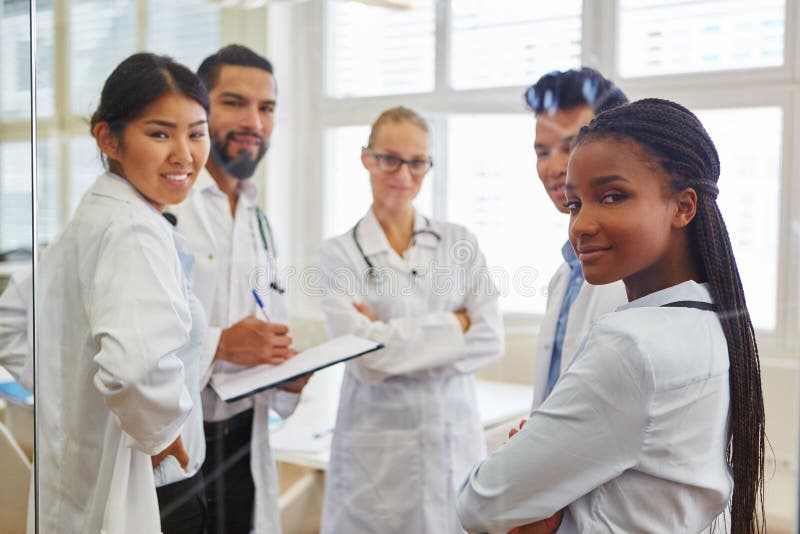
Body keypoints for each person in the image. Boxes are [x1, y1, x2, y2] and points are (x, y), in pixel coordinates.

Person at [457, 98, 765, 533]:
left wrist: (546, 503)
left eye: (613, 196)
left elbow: (480, 503)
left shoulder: (633, 343)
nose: (581, 224)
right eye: (575, 204)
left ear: (683, 206)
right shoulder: (708, 317)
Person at [36, 53, 212, 533]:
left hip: (83, 474)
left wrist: (66, 397)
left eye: (196, 133)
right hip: (153, 485)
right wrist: (161, 432)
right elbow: (136, 370)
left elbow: (16, 323)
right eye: (160, 133)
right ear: (109, 139)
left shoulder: (93, 216)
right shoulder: (133, 229)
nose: (184, 154)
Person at [316, 106, 505, 533]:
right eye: (390, 159)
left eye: (417, 162)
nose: (403, 174)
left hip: (453, 442)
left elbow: (491, 339)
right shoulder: (337, 254)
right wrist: (456, 324)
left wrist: (386, 339)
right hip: (377, 457)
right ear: (367, 157)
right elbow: (363, 357)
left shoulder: (460, 242)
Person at [169, 44, 306, 534]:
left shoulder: (257, 217)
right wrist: (222, 344)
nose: (255, 121)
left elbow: (268, 317)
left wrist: (287, 373)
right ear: (199, 109)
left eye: (266, 108)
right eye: (234, 102)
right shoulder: (167, 206)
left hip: (244, 438)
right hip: (178, 443)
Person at [525, 68, 629, 410]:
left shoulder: (637, 277)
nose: (552, 167)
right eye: (542, 152)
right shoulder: (566, 271)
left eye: (569, 147)